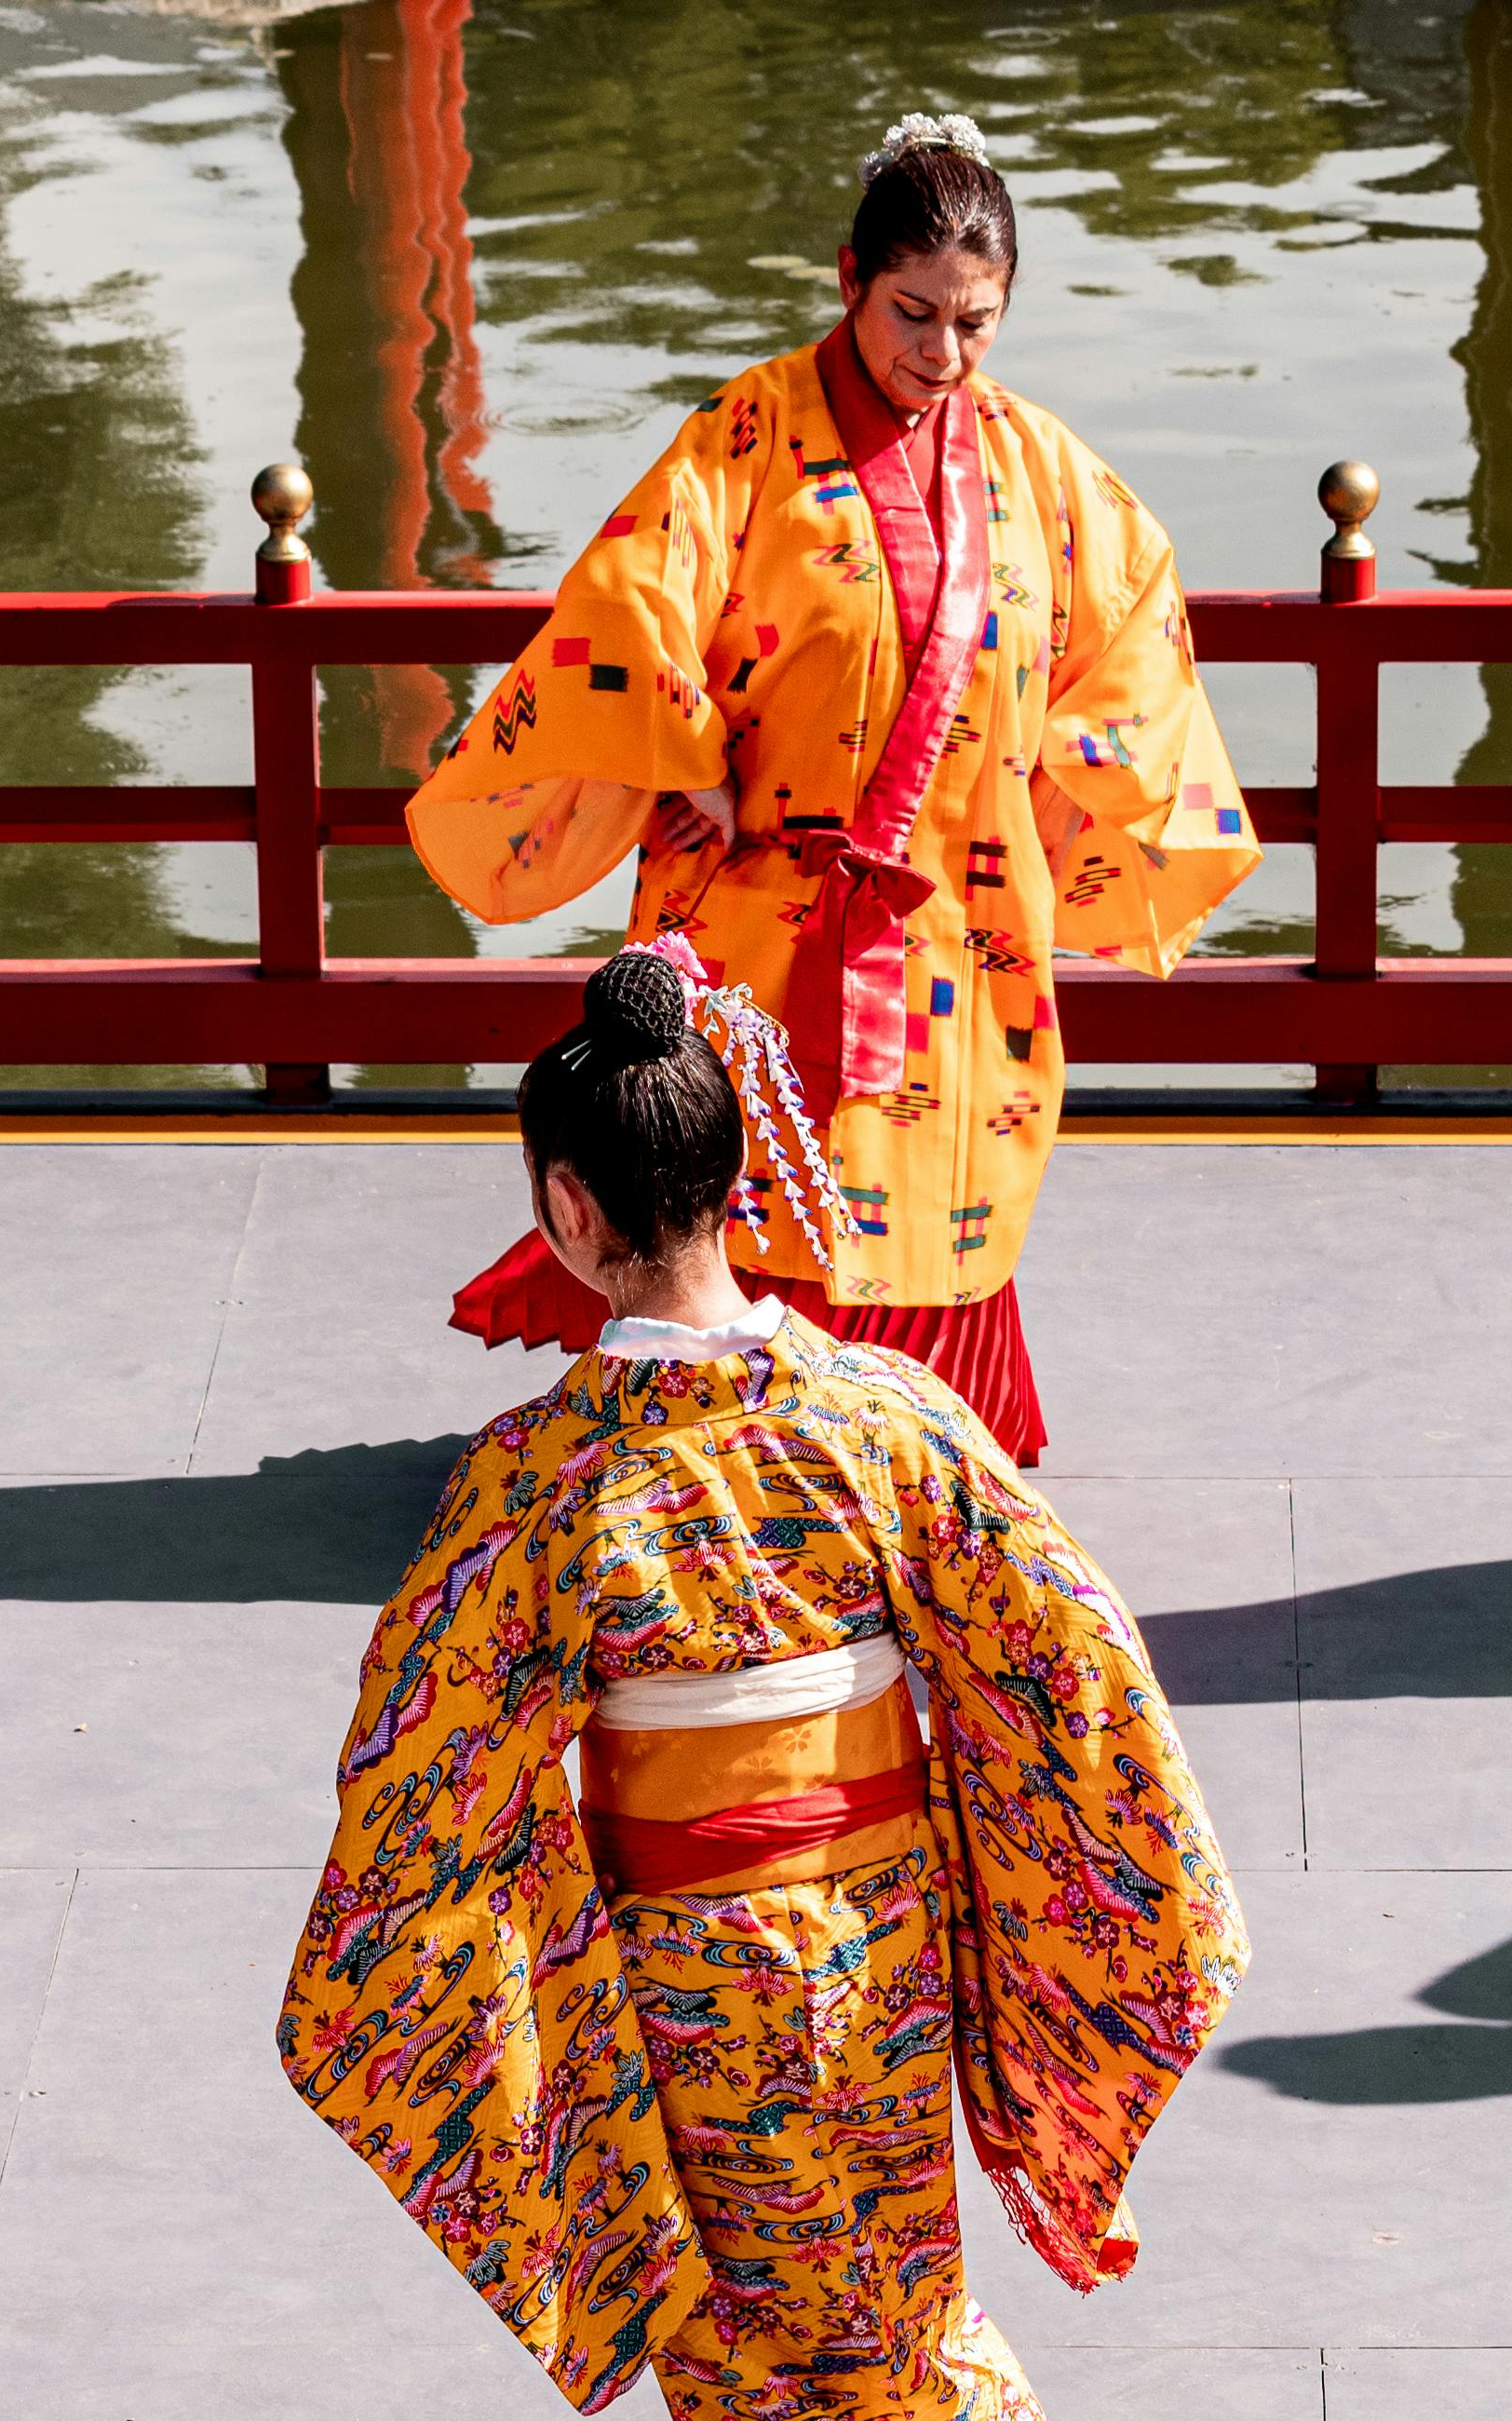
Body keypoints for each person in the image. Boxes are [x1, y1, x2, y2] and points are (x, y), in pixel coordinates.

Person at [277, 943, 1241, 2421]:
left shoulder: (541, 1478)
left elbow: (421, 1753)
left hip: (688, 1967)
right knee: (878, 2296)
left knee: (761, 2340)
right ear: (735, 1179)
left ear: (571, 1208)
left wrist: (446, 1940)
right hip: (877, 1942)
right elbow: (1075, 1667)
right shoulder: (884, 1417)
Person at [407, 114, 1257, 1466]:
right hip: (760, 899)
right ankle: (719, 1448)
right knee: (735, 1178)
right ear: (849, 277)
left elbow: (1133, 643)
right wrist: (691, 764)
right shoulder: (747, 435)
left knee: (931, 1183)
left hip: (953, 909)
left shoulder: (1044, 469)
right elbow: (629, 607)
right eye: (913, 314)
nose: (943, 354)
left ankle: (913, 1451)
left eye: (977, 323)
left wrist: (1050, 794)